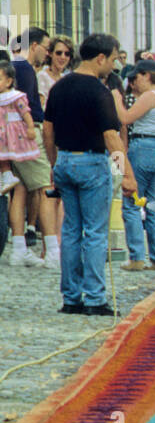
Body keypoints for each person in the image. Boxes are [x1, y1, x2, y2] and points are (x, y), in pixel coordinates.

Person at [42, 32, 138, 314]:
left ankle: (71, 297)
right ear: (100, 58)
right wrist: (127, 175)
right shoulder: (99, 91)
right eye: (112, 60)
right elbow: (111, 137)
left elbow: (48, 130)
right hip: (91, 163)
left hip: (65, 161)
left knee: (70, 230)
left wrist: (54, 162)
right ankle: (95, 298)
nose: (113, 66)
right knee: (95, 232)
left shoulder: (59, 87)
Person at [9, 27, 60, 266]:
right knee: (44, 188)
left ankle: (19, 248)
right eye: (47, 47)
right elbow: (26, 106)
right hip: (28, 133)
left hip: (11, 137)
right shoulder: (26, 68)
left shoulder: (13, 67)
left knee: (19, 189)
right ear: (34, 45)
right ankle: (52, 251)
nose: (48, 53)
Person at [120, 59, 155, 270]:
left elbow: (125, 118)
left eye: (137, 77)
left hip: (144, 147)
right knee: (153, 204)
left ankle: (137, 258)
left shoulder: (151, 95)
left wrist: (115, 98)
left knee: (132, 202)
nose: (135, 82)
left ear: (147, 75)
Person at [0, 60, 40, 193]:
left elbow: (25, 112)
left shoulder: (15, 97)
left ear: (9, 81)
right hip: (2, 132)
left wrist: (30, 127)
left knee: (8, 154)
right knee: (2, 156)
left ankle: (10, 175)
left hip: (12, 130)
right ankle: (7, 175)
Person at [37, 35, 74, 107]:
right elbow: (42, 106)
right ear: (50, 53)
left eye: (67, 54)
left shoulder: (66, 78)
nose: (63, 57)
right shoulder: (42, 76)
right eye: (59, 53)